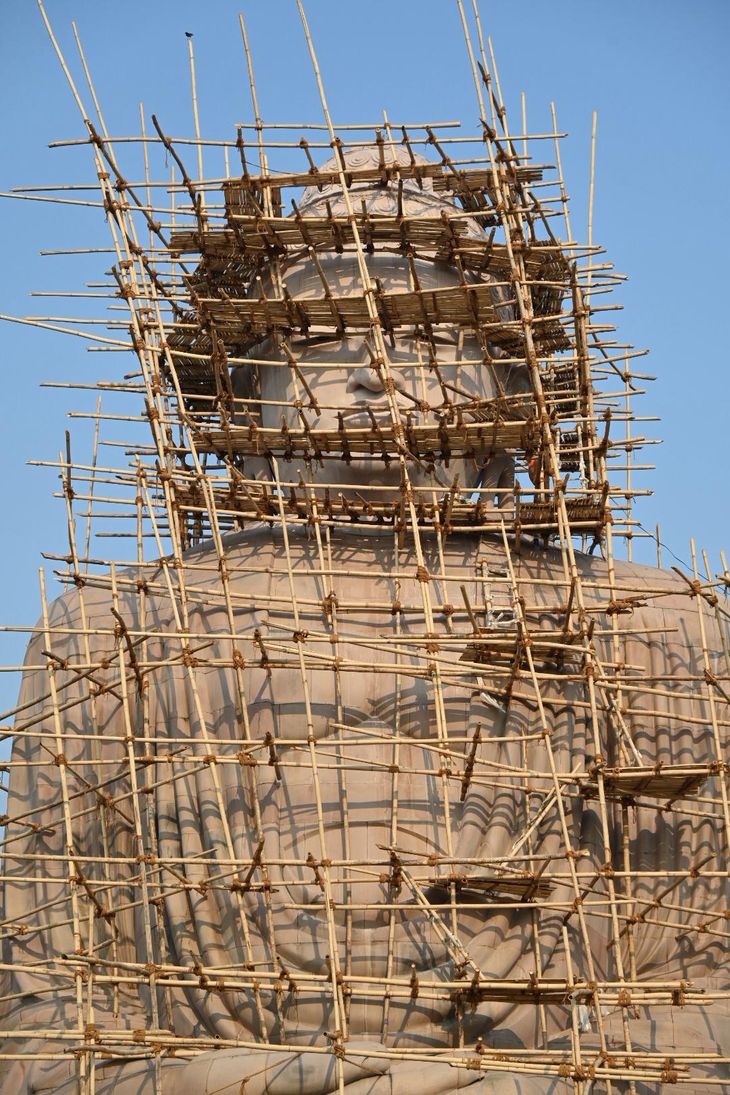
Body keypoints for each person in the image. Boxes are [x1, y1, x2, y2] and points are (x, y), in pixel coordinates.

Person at [0, 146, 727, 1095]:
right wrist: (252, 1077)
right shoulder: (116, 630)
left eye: (428, 337)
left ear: (510, 385)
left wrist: (544, 1073)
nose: (377, 375)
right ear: (243, 386)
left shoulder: (657, 625)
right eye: (323, 341)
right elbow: (43, 1026)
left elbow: (709, 995)